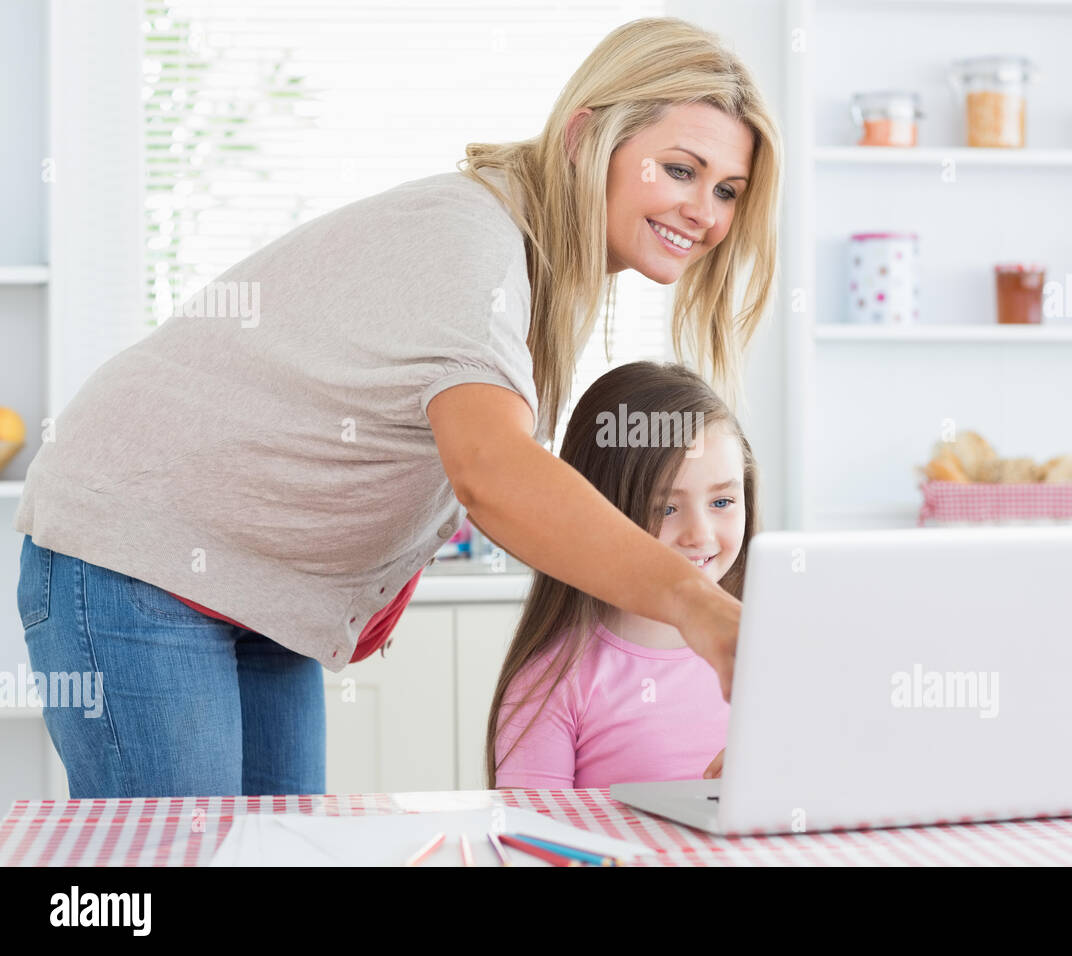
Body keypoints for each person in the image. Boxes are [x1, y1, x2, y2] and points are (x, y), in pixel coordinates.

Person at [13, 16, 781, 798]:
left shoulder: (540, 273)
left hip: (264, 585)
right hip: (136, 549)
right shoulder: (474, 241)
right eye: (680, 170)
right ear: (588, 139)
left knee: (281, 850)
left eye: (727, 191)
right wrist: (696, 605)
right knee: (185, 856)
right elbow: (491, 471)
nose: (705, 213)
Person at [489, 362, 757, 789]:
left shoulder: (764, 659)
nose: (700, 535)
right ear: (600, 519)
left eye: (722, 502)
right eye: (666, 509)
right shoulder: (553, 683)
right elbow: (530, 842)